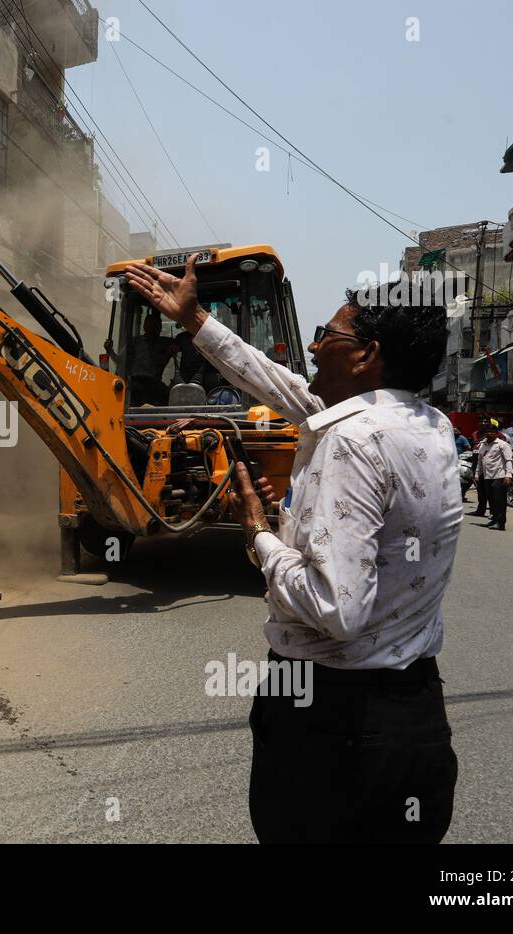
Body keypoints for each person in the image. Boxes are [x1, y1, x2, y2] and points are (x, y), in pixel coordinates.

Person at [125, 256, 460, 844]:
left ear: (365, 355)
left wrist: (259, 535)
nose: (312, 345)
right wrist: (196, 318)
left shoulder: (352, 441)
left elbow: (339, 612)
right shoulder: (427, 425)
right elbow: (274, 381)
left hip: (333, 727)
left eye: (328, 335)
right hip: (413, 717)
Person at [103, 310, 185, 405]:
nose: (152, 329)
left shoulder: (165, 343)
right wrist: (110, 351)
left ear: (160, 328)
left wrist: (173, 349)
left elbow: (183, 347)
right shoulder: (134, 342)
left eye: (155, 326)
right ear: (144, 327)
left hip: (155, 386)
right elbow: (120, 361)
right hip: (135, 385)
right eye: (150, 325)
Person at [474, 424, 513, 530]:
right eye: (487, 432)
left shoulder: (503, 444)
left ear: (496, 433)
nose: (489, 433)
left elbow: (508, 460)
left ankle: (500, 523)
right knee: (491, 499)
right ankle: (494, 519)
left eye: (491, 432)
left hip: (499, 475)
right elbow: (480, 461)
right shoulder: (483, 445)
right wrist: (477, 474)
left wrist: (508, 475)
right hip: (487, 476)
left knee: (499, 500)